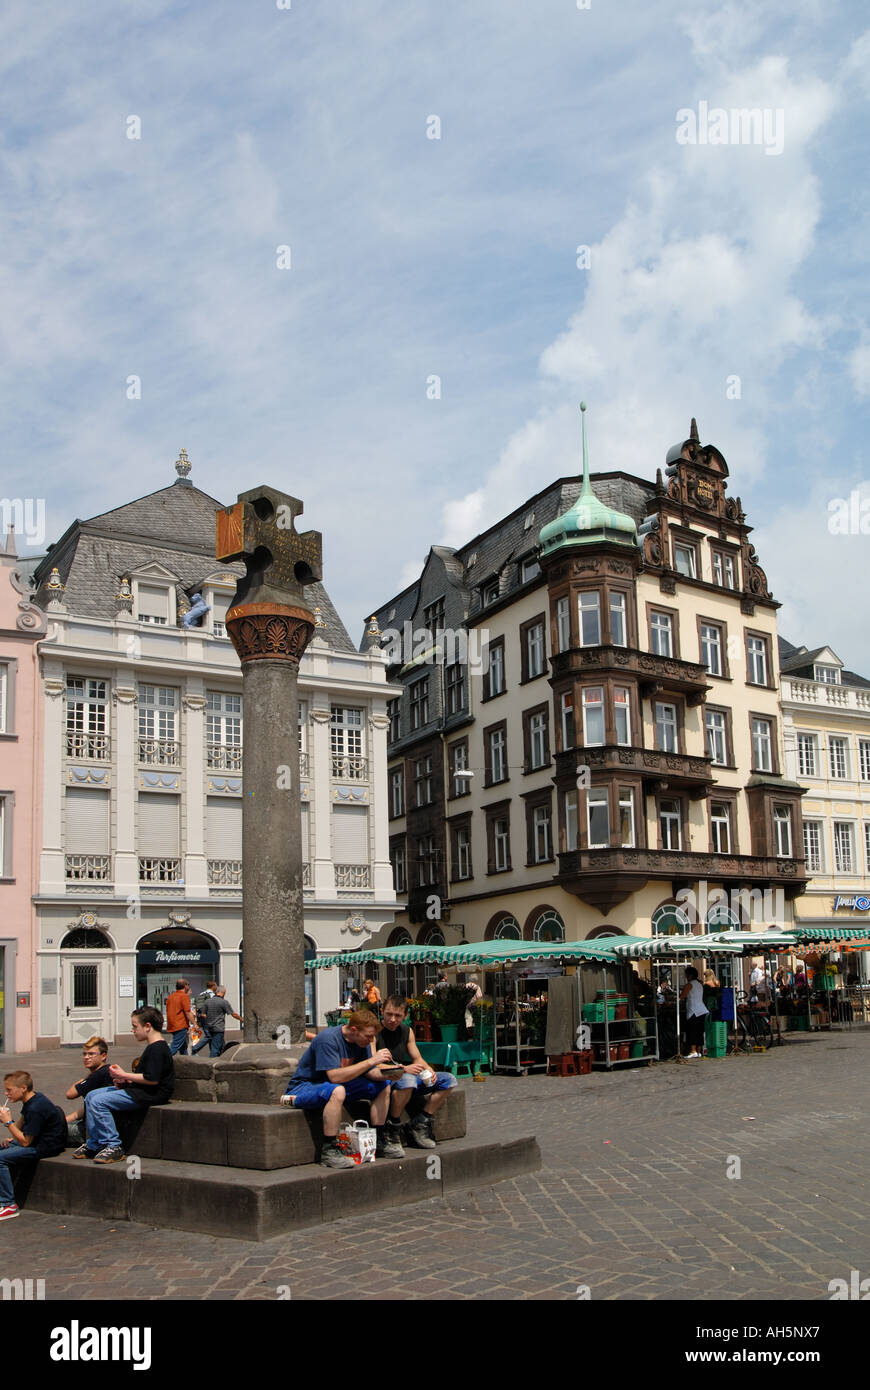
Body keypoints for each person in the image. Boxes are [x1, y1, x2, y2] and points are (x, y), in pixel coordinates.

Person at [279, 1008, 398, 1168]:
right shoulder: (327, 1039)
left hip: (337, 1085)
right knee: (337, 1090)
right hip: (307, 1085)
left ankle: (380, 1139)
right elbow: (334, 1077)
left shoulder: (361, 1041)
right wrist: (371, 1061)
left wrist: (389, 1075)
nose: (371, 1041)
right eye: (368, 1036)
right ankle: (329, 1149)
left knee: (384, 1086)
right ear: (354, 1030)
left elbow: (370, 1072)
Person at [77, 1006, 174, 1163]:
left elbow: (153, 1079)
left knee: (98, 1101)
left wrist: (123, 1075)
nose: (132, 1030)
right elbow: (147, 1076)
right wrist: (127, 1081)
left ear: (147, 1026)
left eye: (135, 1026)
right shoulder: (153, 1047)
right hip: (143, 1090)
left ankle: (113, 1145)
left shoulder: (157, 1049)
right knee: (91, 1096)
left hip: (152, 1094)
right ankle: (95, 1143)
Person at [378, 996, 457, 1150]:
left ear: (405, 1016)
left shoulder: (407, 1031)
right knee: (408, 1079)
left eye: (398, 1016)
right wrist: (404, 1069)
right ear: (382, 1011)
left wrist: (429, 1069)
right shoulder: (375, 1031)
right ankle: (393, 1126)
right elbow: (372, 1063)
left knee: (448, 1080)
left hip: (403, 1076)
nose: (392, 1019)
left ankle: (421, 1121)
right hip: (385, 1077)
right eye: (388, 1014)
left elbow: (417, 1058)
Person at [0, 1071, 67, 1219]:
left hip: (44, 1147)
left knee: (0, 1159)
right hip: (35, 1141)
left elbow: (26, 1142)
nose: (6, 1093)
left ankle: (9, 1204)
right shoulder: (32, 1099)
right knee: (3, 1148)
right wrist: (14, 1135)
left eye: (9, 1090)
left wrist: (8, 1123)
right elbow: (23, 1119)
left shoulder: (36, 1107)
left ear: (23, 1088)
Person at [64, 1036, 113, 1146]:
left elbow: (70, 1094)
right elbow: (85, 1108)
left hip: (89, 1131)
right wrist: (65, 1119)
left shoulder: (98, 1075)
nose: (86, 1057)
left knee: (46, 1129)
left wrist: (88, 1076)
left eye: (91, 1054)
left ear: (103, 1056)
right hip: (94, 1125)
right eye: (84, 1054)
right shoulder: (107, 1070)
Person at [198, 986, 243, 1058]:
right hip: (218, 1028)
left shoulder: (207, 1001)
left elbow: (203, 1015)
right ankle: (212, 1064)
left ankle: (220, 1059)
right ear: (223, 993)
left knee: (220, 1046)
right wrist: (242, 1020)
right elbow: (233, 1014)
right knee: (215, 1049)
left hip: (209, 1027)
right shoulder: (223, 1002)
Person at [680, 966, 708, 1058]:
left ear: (690, 975)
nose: (686, 977)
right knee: (700, 1031)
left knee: (692, 1031)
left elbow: (682, 996)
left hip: (694, 1011)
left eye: (686, 975)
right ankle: (699, 1051)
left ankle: (693, 1051)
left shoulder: (689, 984)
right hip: (702, 1010)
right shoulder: (699, 984)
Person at [165, 978, 195, 1056]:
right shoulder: (184, 996)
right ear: (185, 986)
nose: (189, 986)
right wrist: (195, 1023)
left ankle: (185, 1063)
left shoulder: (171, 996)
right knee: (174, 1047)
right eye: (188, 984)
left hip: (172, 1025)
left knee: (183, 1047)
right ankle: (162, 1062)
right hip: (180, 1025)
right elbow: (187, 1012)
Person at [191, 980, 218, 1055]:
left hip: (201, 1017)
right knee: (209, 1036)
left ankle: (212, 1053)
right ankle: (194, 1049)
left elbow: (196, 1007)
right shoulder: (212, 995)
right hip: (209, 1018)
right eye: (215, 985)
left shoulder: (201, 994)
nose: (216, 987)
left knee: (210, 1035)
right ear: (213, 986)